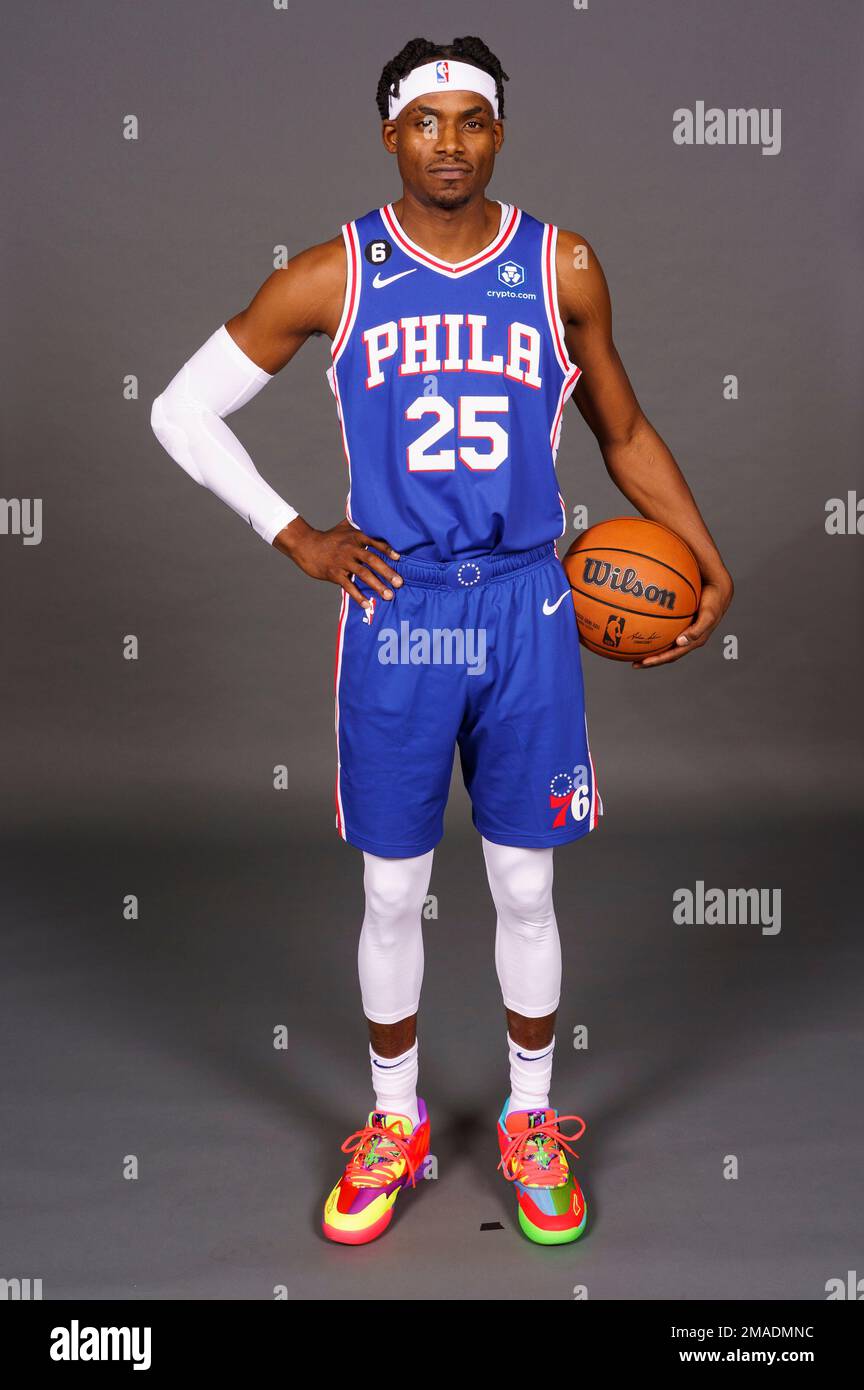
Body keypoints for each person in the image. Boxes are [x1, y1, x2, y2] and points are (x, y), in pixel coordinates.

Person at [151, 34, 734, 1247]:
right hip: (399, 609)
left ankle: (529, 1119)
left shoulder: (562, 264)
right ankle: (394, 1118)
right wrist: (294, 533)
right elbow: (179, 410)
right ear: (389, 134)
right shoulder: (335, 273)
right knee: (393, 884)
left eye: (474, 120)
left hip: (528, 602)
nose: (451, 142)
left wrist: (704, 549)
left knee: (526, 877)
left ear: (499, 131)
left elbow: (621, 432)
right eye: (427, 122)